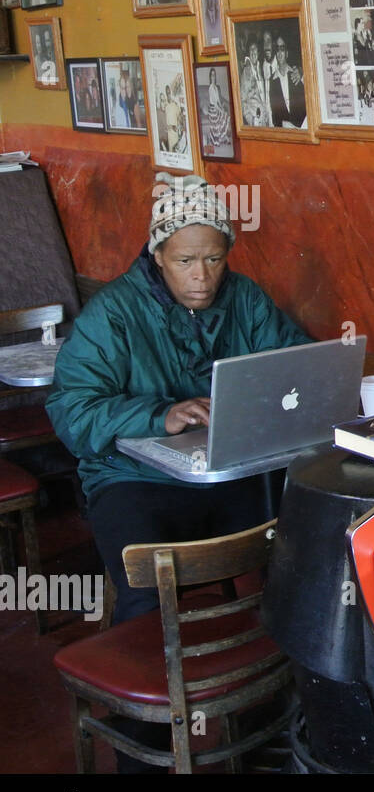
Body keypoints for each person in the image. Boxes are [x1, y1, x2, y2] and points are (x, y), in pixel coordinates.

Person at [47, 174, 313, 629]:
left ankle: (284, 676)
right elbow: (72, 410)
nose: (202, 276)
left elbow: (294, 367)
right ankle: (140, 691)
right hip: (132, 478)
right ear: (157, 256)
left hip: (227, 470)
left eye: (214, 258)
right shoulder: (113, 314)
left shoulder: (244, 298)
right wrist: (160, 414)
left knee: (306, 548)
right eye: (185, 260)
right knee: (145, 593)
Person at [268, 35, 306, 128]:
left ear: (287, 53)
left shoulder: (295, 73)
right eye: (277, 49)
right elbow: (274, 115)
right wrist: (282, 124)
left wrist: (302, 73)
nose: (280, 52)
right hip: (285, 132)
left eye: (282, 48)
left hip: (302, 129)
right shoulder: (272, 80)